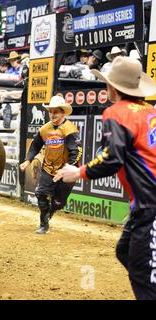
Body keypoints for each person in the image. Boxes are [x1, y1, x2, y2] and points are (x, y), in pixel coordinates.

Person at [54, 57, 156, 300]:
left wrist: (77, 172)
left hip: (151, 204)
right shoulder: (149, 111)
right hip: (145, 203)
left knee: (143, 271)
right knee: (126, 251)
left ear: (112, 88)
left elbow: (112, 157)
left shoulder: (117, 113)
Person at [19, 95, 82, 234]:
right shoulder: (44, 129)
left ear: (63, 113)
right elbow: (35, 146)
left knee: (59, 202)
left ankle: (51, 210)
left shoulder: (69, 129)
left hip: (67, 170)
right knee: (40, 193)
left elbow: (76, 151)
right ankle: (43, 224)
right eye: (50, 112)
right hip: (49, 167)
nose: (53, 115)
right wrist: (27, 160)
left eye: (56, 112)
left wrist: (66, 169)